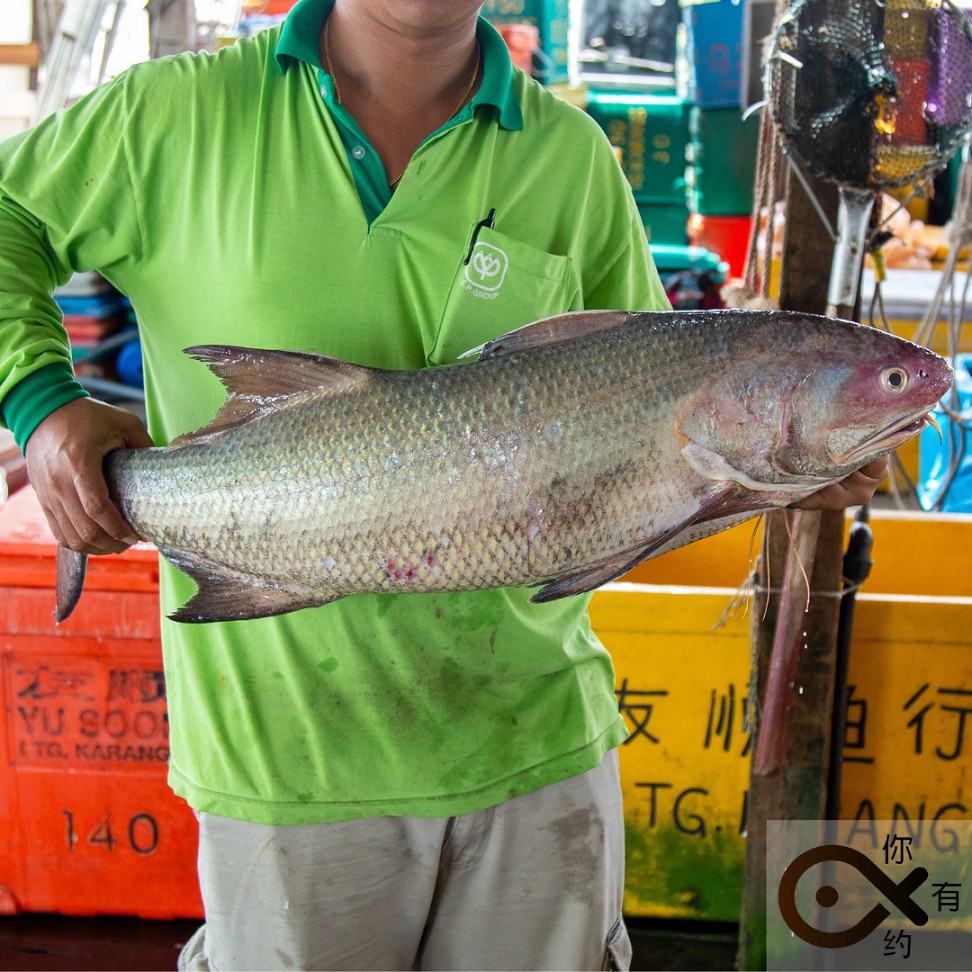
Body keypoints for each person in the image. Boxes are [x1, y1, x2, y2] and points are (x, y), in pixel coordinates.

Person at [0, 1, 887, 968]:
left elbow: (639, 456)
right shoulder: (175, 114)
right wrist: (42, 402)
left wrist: (765, 477)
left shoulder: (569, 158)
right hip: (286, 763)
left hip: (535, 755)